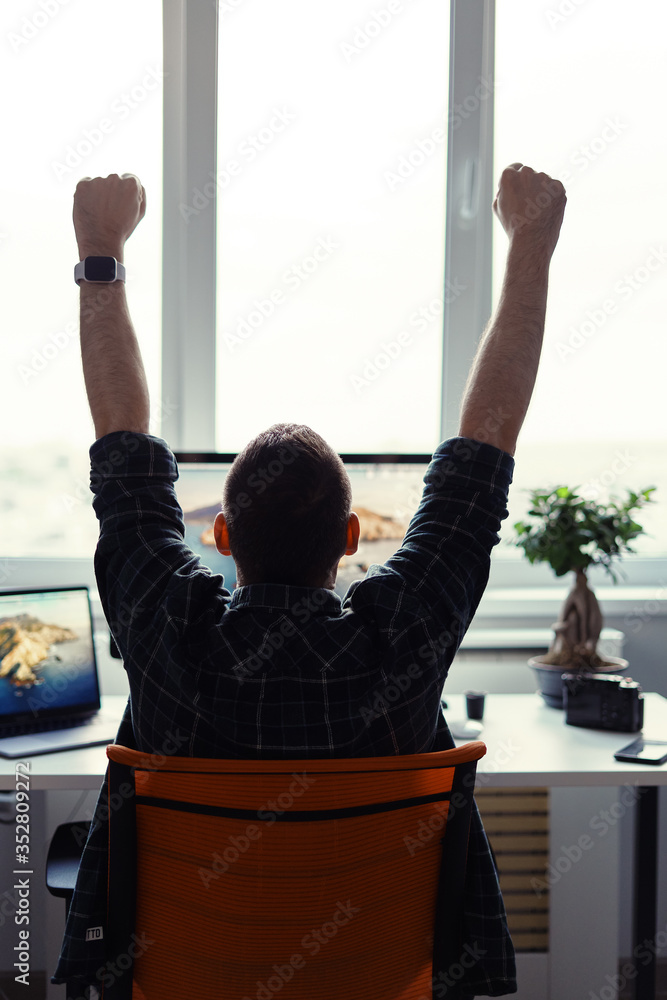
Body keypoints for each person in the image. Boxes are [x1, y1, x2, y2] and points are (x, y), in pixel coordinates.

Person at [53, 163, 566, 998]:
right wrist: (532, 245)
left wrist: (99, 249)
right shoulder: (401, 635)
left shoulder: (168, 631)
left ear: (220, 535)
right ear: (352, 538)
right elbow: (484, 450)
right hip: (372, 979)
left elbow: (121, 447)